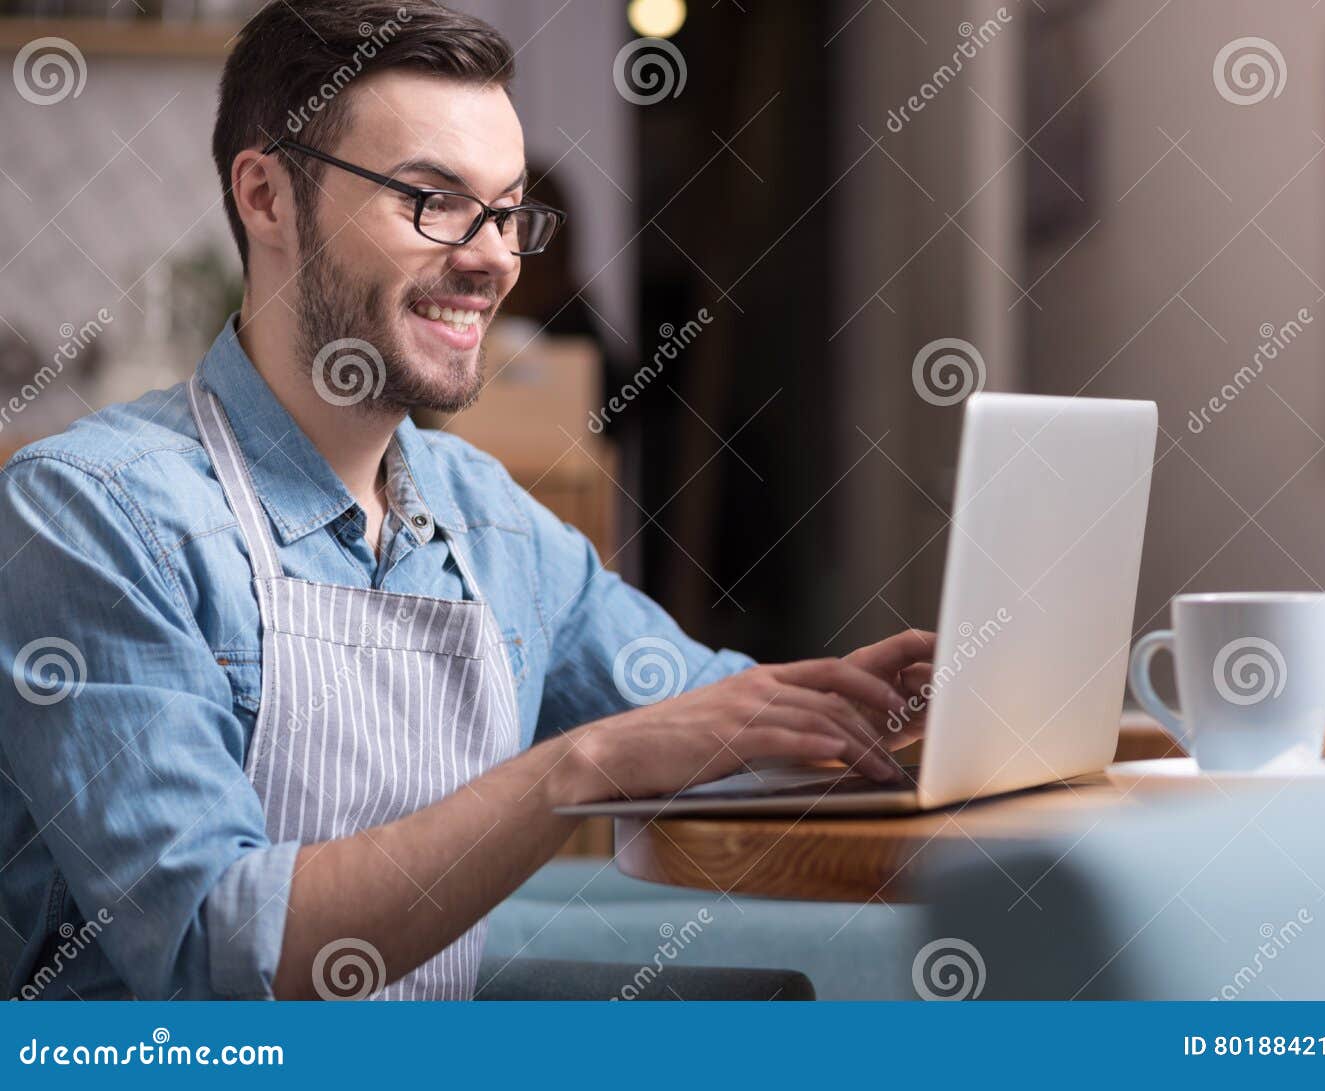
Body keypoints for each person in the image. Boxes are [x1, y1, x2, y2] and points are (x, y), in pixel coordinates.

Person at [0, 0, 932, 1001]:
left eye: (507, 211)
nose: (495, 258)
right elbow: (218, 949)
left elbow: (707, 724)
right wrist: (573, 768)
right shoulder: (91, 514)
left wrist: (902, 720)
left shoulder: (490, 518)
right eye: (433, 201)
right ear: (267, 198)